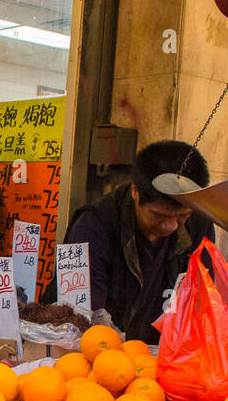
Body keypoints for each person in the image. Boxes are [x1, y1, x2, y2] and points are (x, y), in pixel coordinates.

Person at [62, 141, 214, 343]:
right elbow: (80, 316)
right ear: (135, 191)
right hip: (106, 358)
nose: (170, 226)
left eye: (181, 217)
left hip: (163, 356)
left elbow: (201, 300)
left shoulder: (199, 224)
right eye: (158, 215)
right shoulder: (93, 226)